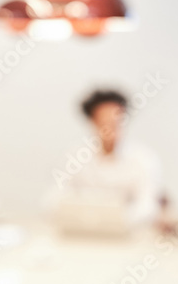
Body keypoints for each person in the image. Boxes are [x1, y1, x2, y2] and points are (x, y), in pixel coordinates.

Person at [65, 89, 162, 226]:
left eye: (116, 122)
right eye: (104, 123)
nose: (110, 129)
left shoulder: (143, 159)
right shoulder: (76, 157)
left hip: (128, 234)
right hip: (83, 230)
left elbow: (147, 206)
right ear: (93, 122)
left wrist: (115, 220)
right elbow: (58, 197)